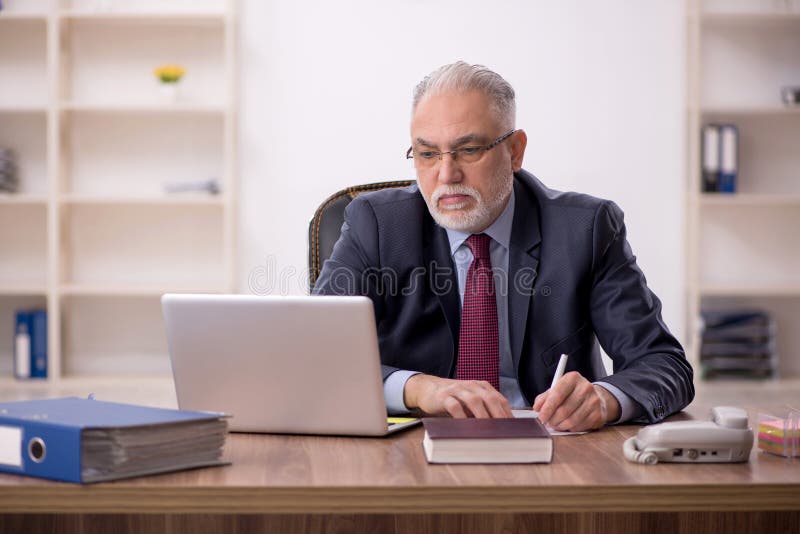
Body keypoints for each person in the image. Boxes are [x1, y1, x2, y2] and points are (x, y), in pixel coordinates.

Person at [313, 61, 694, 432]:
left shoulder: (586, 229)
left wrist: (605, 399)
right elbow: (317, 359)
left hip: (553, 450)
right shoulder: (377, 224)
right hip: (413, 446)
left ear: (515, 151)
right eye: (427, 154)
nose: (447, 174)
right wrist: (418, 388)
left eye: (468, 150)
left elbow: (664, 365)